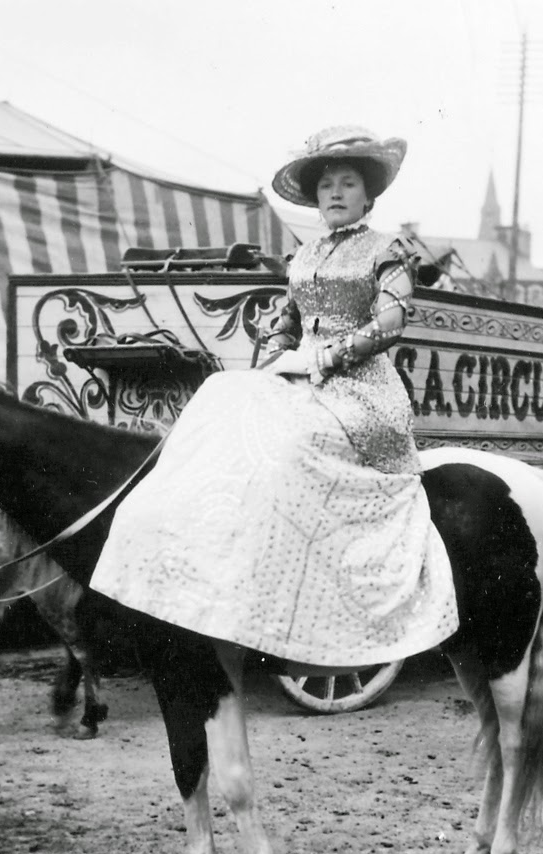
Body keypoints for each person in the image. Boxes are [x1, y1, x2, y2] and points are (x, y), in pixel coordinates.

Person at [89, 126, 459, 666]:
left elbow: (390, 322)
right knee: (223, 400)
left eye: (347, 183)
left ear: (368, 195)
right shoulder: (304, 255)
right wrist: (272, 354)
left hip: (361, 392)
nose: (334, 193)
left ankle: (314, 576)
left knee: (289, 444)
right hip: (301, 378)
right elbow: (286, 326)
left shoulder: (386, 250)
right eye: (327, 184)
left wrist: (325, 358)